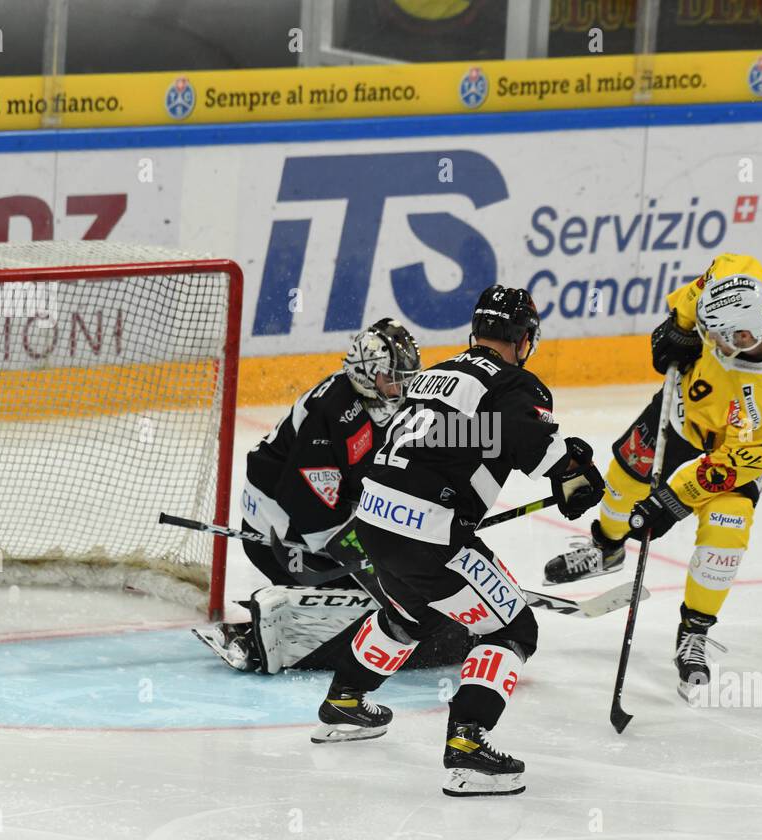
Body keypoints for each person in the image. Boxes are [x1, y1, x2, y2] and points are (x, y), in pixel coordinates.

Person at [308, 284, 605, 798]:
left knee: (410, 614)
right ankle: (468, 744)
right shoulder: (515, 383)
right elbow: (533, 444)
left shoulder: (432, 375)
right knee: (512, 629)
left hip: (374, 524)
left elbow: (446, 443)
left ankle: (346, 704)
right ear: (524, 337)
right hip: (429, 535)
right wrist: (574, 474)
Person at [544, 253, 762, 700]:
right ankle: (605, 549)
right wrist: (682, 325)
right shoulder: (744, 282)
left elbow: (720, 470)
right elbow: (727, 263)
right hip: (683, 410)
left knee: (726, 530)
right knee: (624, 480)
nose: (708, 341)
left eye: (714, 337)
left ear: (744, 336)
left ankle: (695, 631)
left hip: (735, 451)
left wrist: (668, 502)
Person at [192, 318, 466, 676]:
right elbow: (311, 512)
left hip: (317, 519)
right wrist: (387, 566)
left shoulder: (375, 405)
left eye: (405, 378)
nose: (401, 387)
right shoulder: (332, 412)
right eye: (393, 378)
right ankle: (294, 627)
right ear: (367, 374)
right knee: (388, 592)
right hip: (281, 536)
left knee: (395, 574)